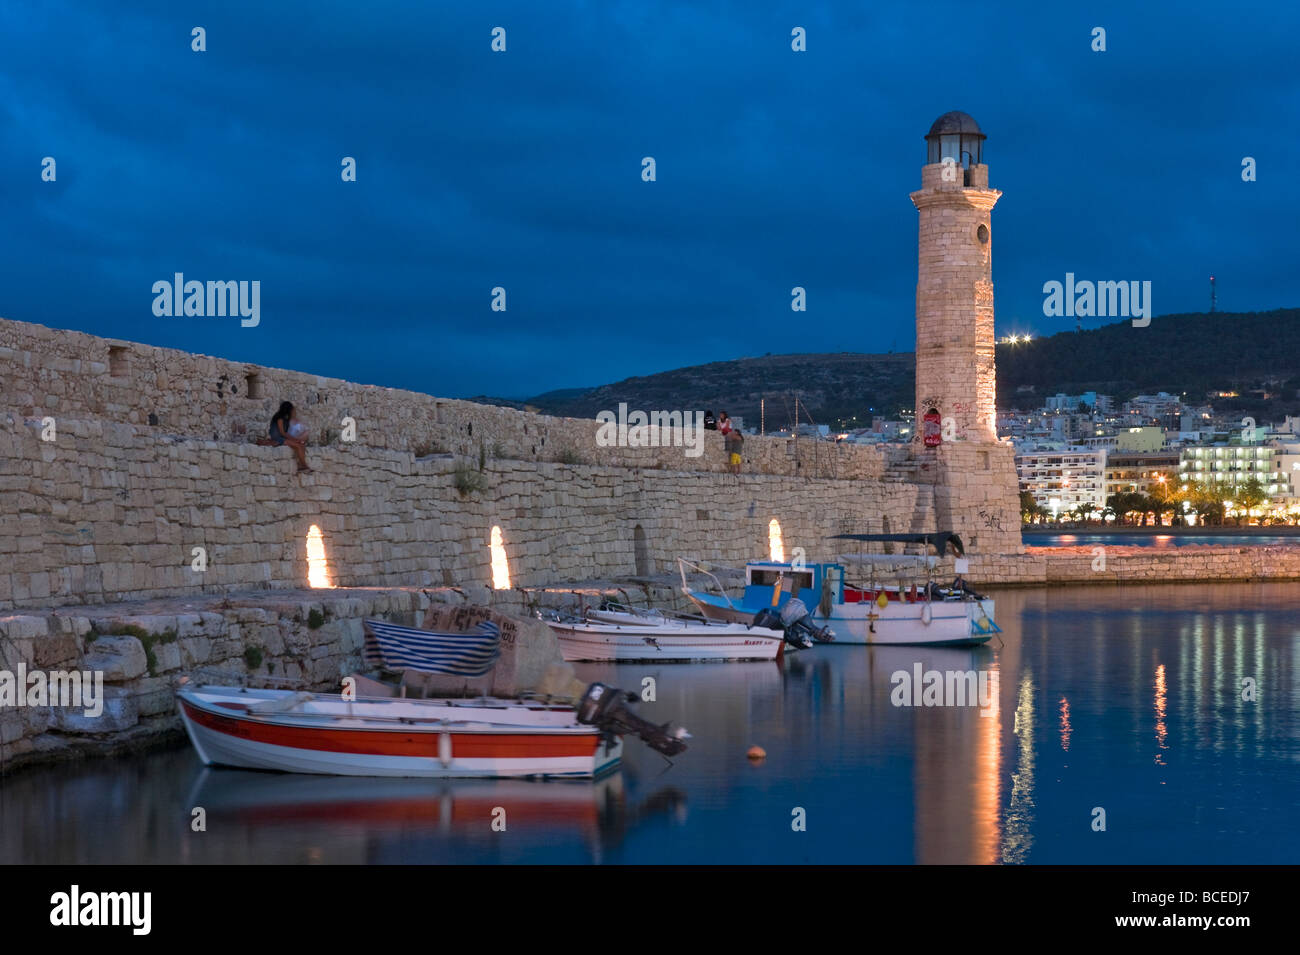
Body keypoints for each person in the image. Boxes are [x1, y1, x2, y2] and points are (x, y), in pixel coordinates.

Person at [269, 401, 310, 472]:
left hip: (282, 438)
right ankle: (304, 466)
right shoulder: (280, 418)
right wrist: (294, 439)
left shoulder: (285, 418)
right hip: (278, 439)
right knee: (298, 446)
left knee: (301, 445)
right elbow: (282, 433)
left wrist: (296, 440)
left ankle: (302, 465)